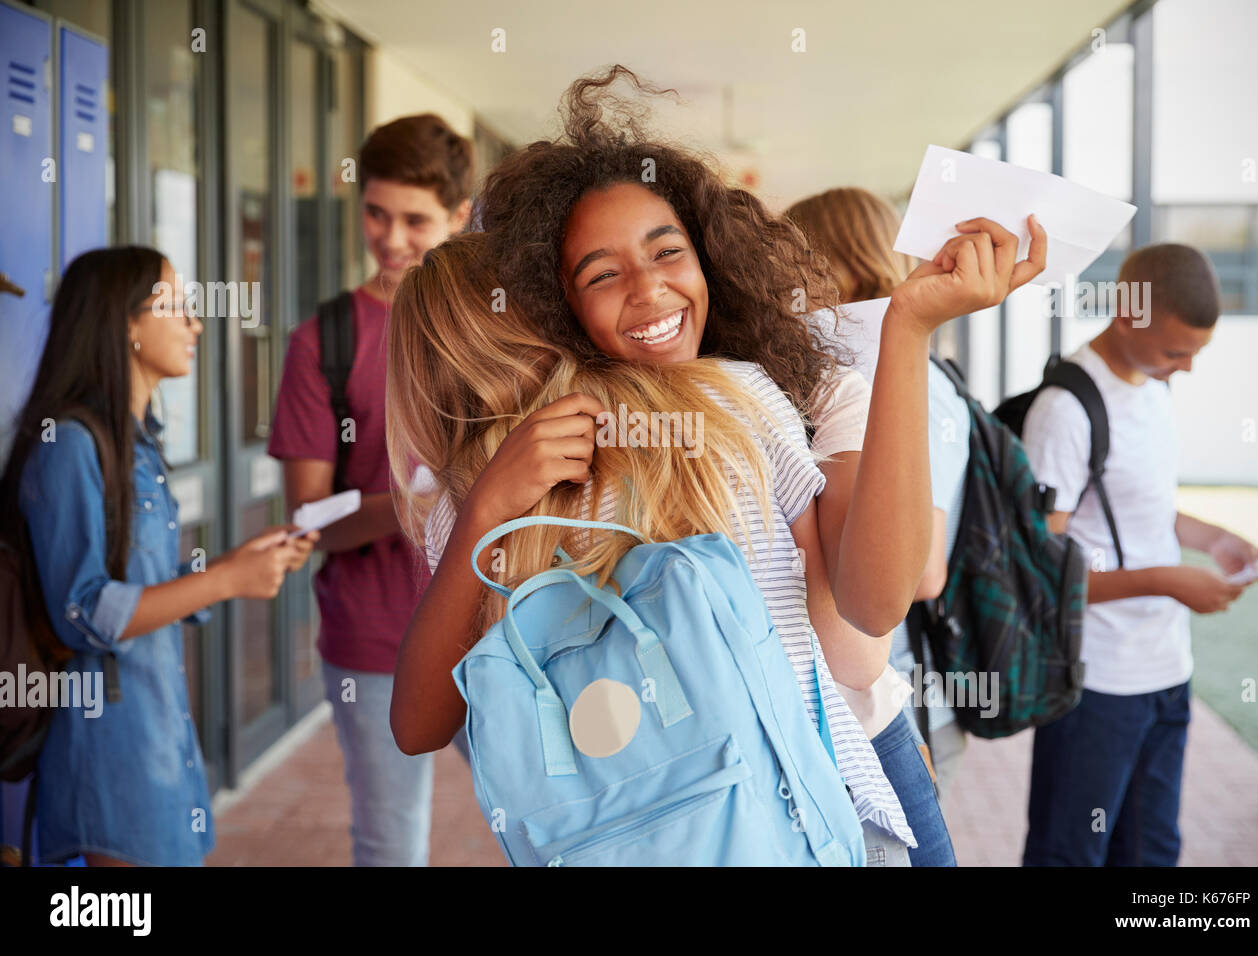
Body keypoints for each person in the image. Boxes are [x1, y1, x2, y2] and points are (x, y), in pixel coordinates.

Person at [389, 66, 1046, 865]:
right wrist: (490, 509)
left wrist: (906, 334)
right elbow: (418, 726)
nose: (648, 290)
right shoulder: (486, 500)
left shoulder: (732, 400)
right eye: (599, 275)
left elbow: (875, 604)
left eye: (669, 251)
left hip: (791, 813)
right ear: (557, 309)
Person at [0, 247, 313, 866]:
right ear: (125, 323)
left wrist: (230, 564)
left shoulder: (138, 445)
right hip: (110, 748)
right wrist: (224, 581)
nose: (195, 323)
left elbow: (144, 585)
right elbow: (85, 612)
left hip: (160, 730)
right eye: (175, 305)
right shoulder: (68, 445)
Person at [268, 113, 474, 867]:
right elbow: (308, 520)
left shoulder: (489, 327)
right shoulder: (325, 340)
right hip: (375, 639)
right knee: (391, 846)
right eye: (376, 214)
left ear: (458, 216)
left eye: (414, 220)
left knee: (555, 829)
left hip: (497, 622)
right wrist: (430, 502)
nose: (390, 239)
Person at [1020, 243, 1258, 867]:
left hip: (1164, 671)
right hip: (1096, 681)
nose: (1185, 370)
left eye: (1196, 354)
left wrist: (1212, 539)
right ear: (1128, 315)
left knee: (1151, 854)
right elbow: (1046, 566)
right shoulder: (1065, 411)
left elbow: (1140, 507)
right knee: (1070, 854)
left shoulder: (1153, 388)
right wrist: (1167, 582)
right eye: (1176, 352)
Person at [788, 186, 964, 864]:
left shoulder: (891, 377)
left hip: (887, 698)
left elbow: (923, 573)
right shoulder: (828, 375)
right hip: (861, 699)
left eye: (795, 268)